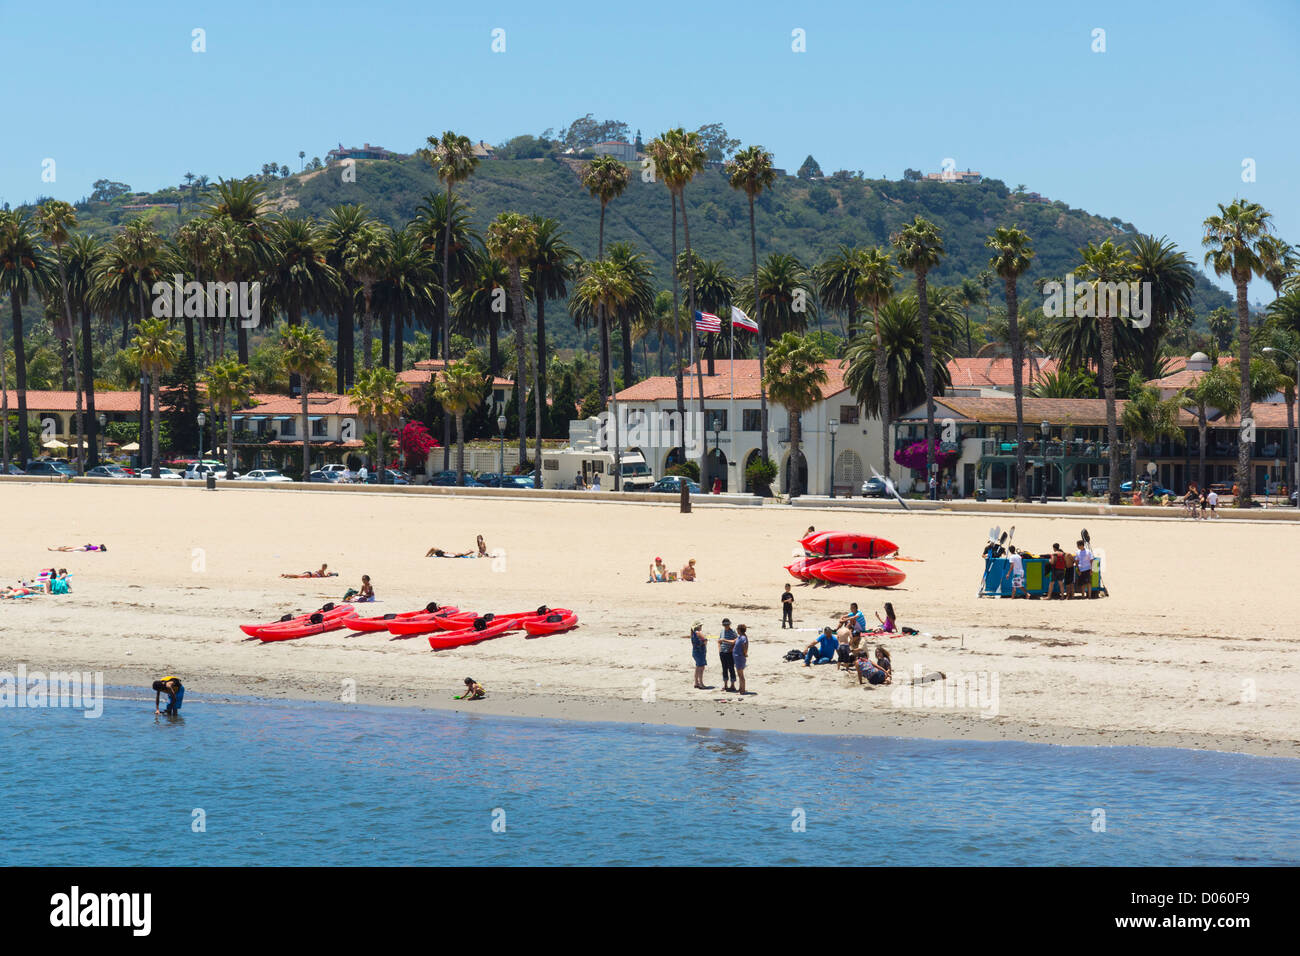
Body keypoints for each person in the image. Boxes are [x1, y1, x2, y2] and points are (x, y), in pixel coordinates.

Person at [718, 618, 738, 692]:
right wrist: (719, 649)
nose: (726, 626)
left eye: (727, 625)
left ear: (729, 624)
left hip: (729, 653)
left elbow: (735, 641)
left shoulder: (733, 631)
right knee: (724, 669)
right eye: (725, 625)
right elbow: (719, 641)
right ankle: (725, 685)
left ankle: (732, 685)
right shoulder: (722, 631)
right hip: (722, 652)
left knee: (731, 668)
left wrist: (731, 649)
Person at [689, 622, 708, 689]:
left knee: (697, 667)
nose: (701, 627)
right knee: (701, 668)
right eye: (700, 626)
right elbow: (705, 639)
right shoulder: (698, 632)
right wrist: (704, 644)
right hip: (700, 652)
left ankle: (696, 683)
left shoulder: (692, 633)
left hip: (695, 652)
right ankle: (701, 684)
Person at [732, 624, 749, 694]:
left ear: (739, 630)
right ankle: (740, 688)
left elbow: (745, 646)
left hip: (740, 657)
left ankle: (743, 690)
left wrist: (745, 653)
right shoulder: (740, 637)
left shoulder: (743, 637)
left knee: (741, 675)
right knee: (739, 674)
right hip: (737, 657)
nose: (737, 630)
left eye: (737, 629)